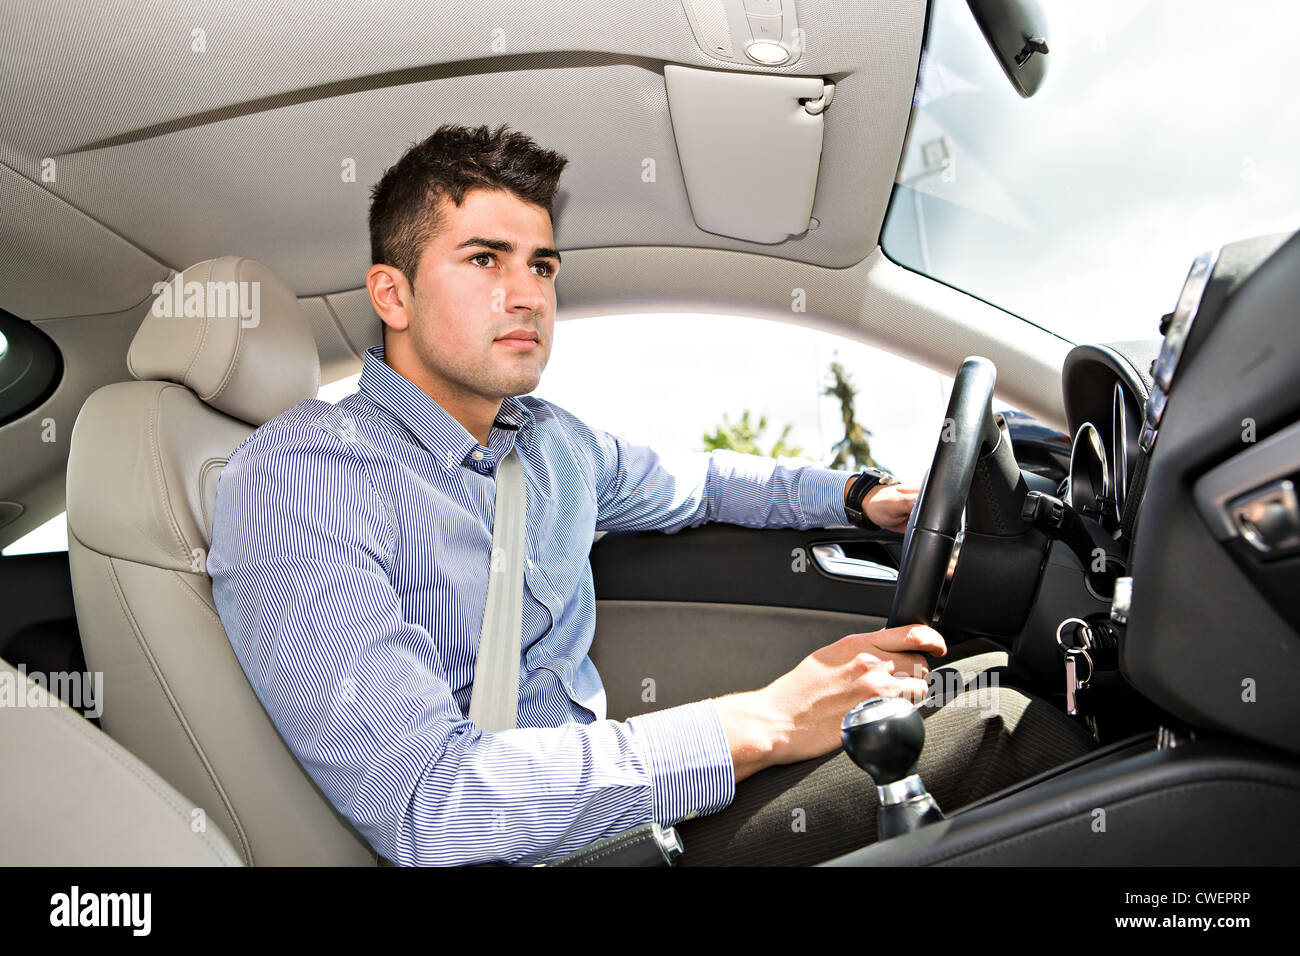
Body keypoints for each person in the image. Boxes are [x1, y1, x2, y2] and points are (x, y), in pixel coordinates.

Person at [207, 123, 1095, 867]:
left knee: (964, 689)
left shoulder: (554, 444)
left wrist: (861, 495)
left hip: (616, 811)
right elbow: (427, 805)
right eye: (484, 260)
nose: (526, 296)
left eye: (543, 266)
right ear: (391, 294)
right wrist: (761, 722)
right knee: (1003, 735)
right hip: (537, 853)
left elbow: (707, 482)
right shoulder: (303, 478)